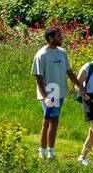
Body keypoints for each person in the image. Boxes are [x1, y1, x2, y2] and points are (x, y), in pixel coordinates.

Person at [32, 26, 85, 160]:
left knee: (49, 122)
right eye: (58, 36)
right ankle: (46, 152)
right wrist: (45, 98)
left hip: (59, 91)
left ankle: (46, 150)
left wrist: (80, 85)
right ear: (50, 38)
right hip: (49, 92)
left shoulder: (62, 53)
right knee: (52, 120)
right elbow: (38, 77)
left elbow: (69, 72)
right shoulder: (41, 55)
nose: (61, 38)